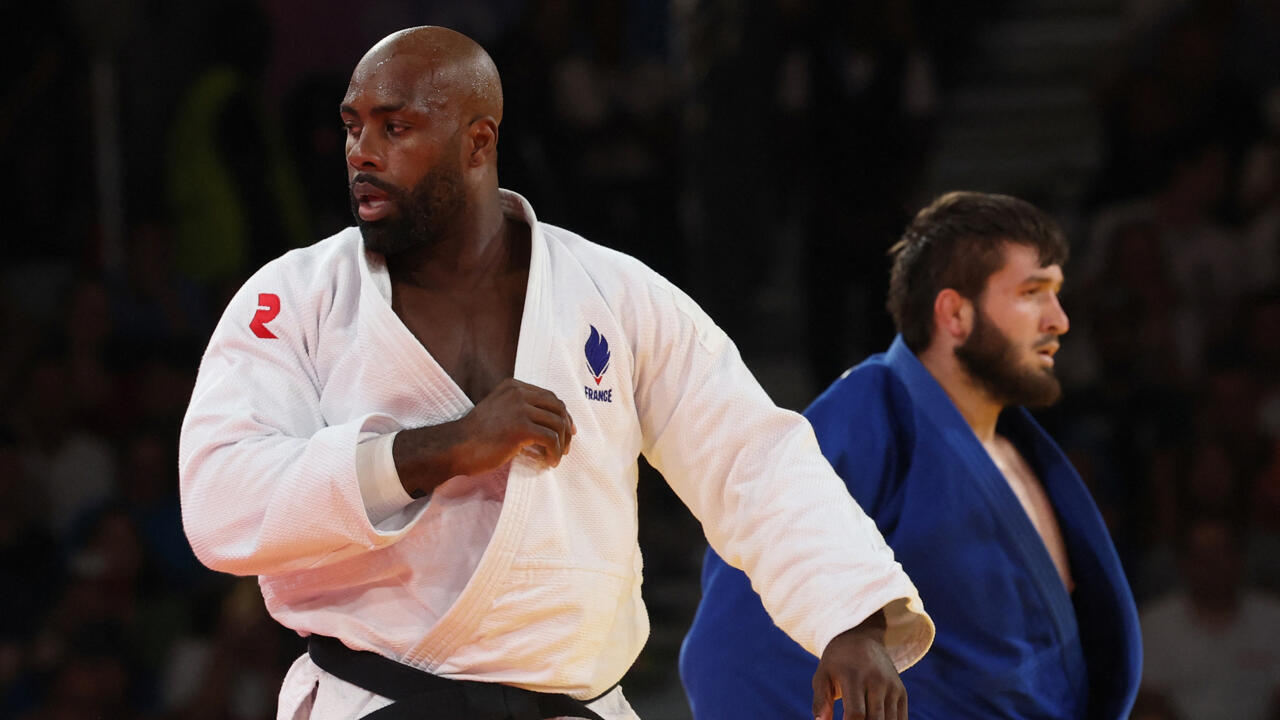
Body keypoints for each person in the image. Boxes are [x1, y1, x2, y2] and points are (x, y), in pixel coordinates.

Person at [178, 26, 934, 720]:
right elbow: (220, 499)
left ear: (478, 143)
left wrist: (850, 616)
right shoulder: (297, 298)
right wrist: (433, 451)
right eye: (353, 126)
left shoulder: (613, 293)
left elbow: (752, 459)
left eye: (395, 127)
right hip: (374, 701)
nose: (361, 152)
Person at [680, 191, 1142, 719]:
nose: (1058, 319)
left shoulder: (1019, 446)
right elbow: (729, 646)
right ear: (955, 313)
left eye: (1056, 293)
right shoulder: (872, 414)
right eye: (1032, 292)